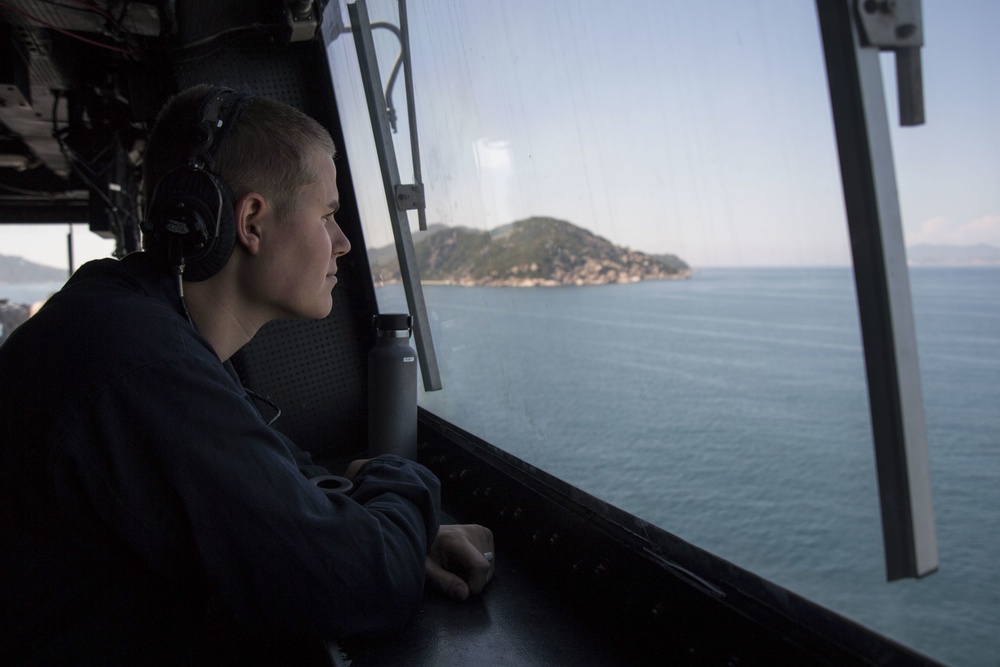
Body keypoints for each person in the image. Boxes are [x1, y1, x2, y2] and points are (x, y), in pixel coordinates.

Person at [0, 85, 494, 663]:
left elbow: (272, 476)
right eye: (329, 215)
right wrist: (402, 482)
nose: (344, 243)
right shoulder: (139, 360)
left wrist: (399, 532)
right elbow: (354, 582)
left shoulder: (137, 318)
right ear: (252, 222)